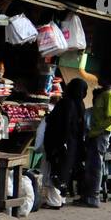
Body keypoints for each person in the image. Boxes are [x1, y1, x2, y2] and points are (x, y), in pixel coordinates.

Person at [40, 78, 87, 209]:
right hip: (72, 143)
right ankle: (61, 198)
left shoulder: (66, 103)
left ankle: (54, 201)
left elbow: (60, 124)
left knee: (55, 169)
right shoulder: (80, 104)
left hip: (60, 141)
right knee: (65, 171)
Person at [82, 75, 111, 207]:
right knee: (91, 165)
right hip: (96, 134)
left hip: (100, 134)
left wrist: (95, 131)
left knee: (95, 166)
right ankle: (89, 196)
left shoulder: (108, 95)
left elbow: (110, 118)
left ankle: (93, 197)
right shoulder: (105, 94)